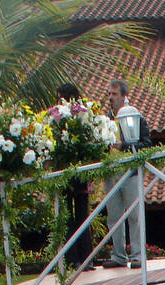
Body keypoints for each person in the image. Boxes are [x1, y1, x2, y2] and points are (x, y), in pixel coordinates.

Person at [102, 78, 151, 270]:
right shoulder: (105, 120)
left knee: (135, 215)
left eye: (114, 94)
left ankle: (138, 255)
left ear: (124, 96)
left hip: (130, 173)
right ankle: (118, 255)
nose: (111, 98)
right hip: (111, 173)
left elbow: (147, 143)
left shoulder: (135, 118)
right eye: (109, 94)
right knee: (114, 216)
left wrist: (125, 146)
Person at [56, 83, 95, 271]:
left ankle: (84, 258)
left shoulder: (82, 115)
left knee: (80, 215)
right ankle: (74, 258)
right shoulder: (57, 117)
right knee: (70, 216)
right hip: (65, 171)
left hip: (78, 170)